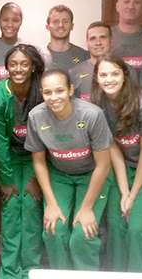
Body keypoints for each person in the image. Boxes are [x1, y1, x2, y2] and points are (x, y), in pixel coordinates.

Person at [26, 69, 112, 270]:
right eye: (48, 93)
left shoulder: (92, 115)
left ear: (71, 89)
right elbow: (38, 162)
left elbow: (103, 164)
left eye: (59, 91)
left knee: (83, 233)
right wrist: (51, 203)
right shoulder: (36, 116)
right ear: (42, 93)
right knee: (53, 229)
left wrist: (87, 208)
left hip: (92, 175)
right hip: (60, 175)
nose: (54, 98)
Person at [91, 55, 142, 272]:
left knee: (137, 226)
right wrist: (124, 191)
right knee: (117, 223)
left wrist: (133, 196)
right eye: (103, 74)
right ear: (96, 78)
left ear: (125, 76)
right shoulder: (98, 103)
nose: (109, 79)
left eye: (115, 73)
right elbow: (113, 148)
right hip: (124, 163)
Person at [0, 44, 46, 279]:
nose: (18, 68)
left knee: (30, 205)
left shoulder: (42, 92)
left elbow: (47, 139)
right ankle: (9, 270)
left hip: (36, 157)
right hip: (9, 156)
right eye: (13, 64)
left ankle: (30, 269)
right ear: (6, 67)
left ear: (32, 67)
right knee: (11, 207)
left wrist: (35, 178)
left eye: (24, 64)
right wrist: (6, 179)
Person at [69, 21, 142, 101]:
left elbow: (135, 102)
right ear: (87, 43)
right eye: (93, 38)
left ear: (111, 41)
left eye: (103, 37)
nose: (98, 43)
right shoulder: (74, 72)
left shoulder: (128, 70)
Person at [42, 5, 89, 72]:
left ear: (72, 26)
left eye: (65, 21)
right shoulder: (39, 55)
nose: (61, 25)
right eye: (56, 21)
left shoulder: (85, 56)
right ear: (48, 27)